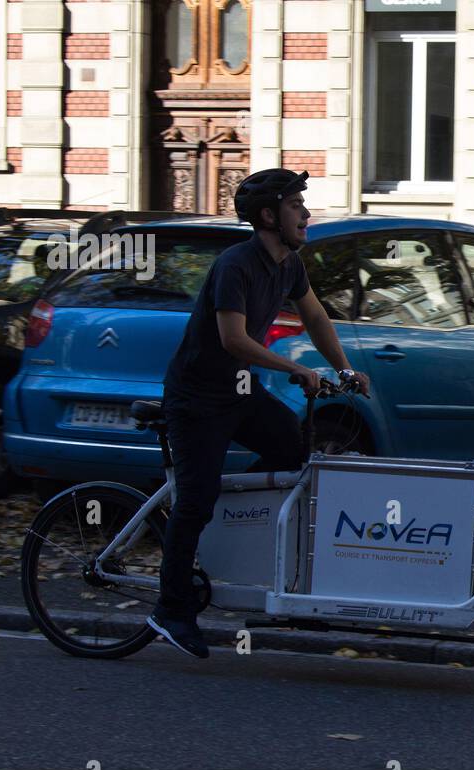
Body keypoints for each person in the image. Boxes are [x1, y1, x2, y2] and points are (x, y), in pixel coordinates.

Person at [147, 168, 371, 658]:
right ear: (269, 216)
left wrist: (344, 367)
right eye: (296, 206)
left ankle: (237, 528)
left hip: (237, 393)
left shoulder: (289, 264)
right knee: (195, 498)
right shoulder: (236, 265)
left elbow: (315, 316)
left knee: (292, 449)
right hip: (197, 398)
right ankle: (171, 609)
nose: (306, 214)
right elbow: (233, 339)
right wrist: (295, 368)